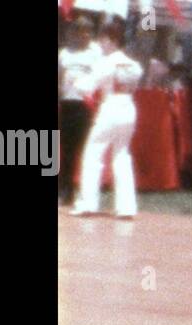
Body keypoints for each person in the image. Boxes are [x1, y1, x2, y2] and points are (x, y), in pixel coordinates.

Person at [72, 20, 143, 219]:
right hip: (128, 108)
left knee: (93, 153)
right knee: (122, 155)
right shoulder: (134, 65)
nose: (101, 44)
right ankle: (126, 207)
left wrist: (75, 82)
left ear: (111, 40)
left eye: (103, 39)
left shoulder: (106, 63)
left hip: (110, 108)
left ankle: (88, 203)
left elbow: (86, 86)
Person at [58, 17, 102, 206]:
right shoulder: (65, 53)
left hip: (85, 106)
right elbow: (60, 78)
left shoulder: (96, 53)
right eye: (79, 30)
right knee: (66, 150)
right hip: (68, 103)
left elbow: (100, 78)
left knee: (85, 150)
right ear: (74, 32)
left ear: (90, 34)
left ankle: (84, 192)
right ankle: (64, 191)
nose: (82, 34)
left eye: (86, 31)